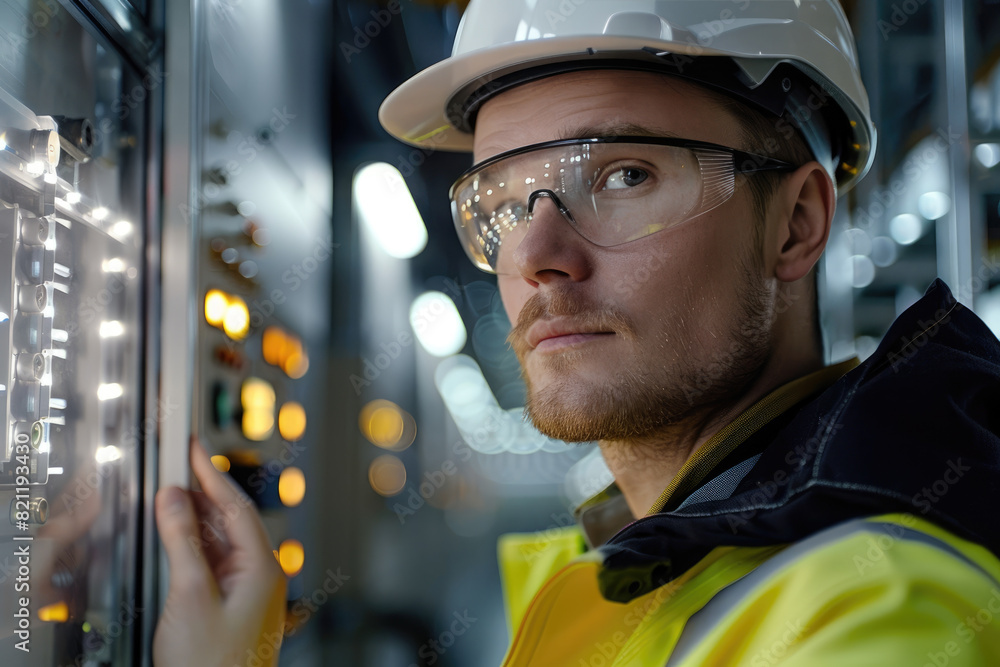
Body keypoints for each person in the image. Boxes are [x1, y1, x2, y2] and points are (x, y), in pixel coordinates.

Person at [153, 1, 1000, 665]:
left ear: (796, 223)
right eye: (500, 205)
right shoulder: (629, 565)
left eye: (624, 175)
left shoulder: (882, 612)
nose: (534, 256)